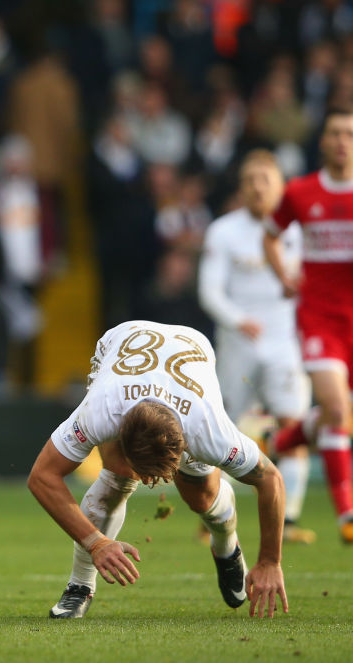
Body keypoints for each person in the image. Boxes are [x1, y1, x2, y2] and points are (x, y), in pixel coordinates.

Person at [28, 321, 288, 620]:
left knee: (201, 498)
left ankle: (226, 544)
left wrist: (270, 560)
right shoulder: (102, 411)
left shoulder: (209, 432)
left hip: (191, 346)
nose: (151, 483)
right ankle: (80, 585)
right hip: (120, 340)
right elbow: (42, 477)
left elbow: (271, 479)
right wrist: (96, 542)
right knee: (117, 476)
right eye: (149, 475)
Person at [198, 150, 314, 543]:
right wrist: (236, 319)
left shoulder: (299, 230)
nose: (258, 186)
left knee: (291, 424)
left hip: (286, 341)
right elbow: (209, 291)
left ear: (281, 185)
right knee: (221, 425)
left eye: (266, 178)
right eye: (250, 179)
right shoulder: (223, 231)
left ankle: (291, 520)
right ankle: (211, 512)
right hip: (237, 344)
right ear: (241, 187)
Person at [264, 106, 353, 544]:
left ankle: (282, 440)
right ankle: (347, 515)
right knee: (337, 410)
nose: (342, 141)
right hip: (320, 317)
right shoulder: (301, 192)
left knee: (340, 416)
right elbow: (270, 233)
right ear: (322, 141)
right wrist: (284, 276)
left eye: (349, 134)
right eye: (335, 133)